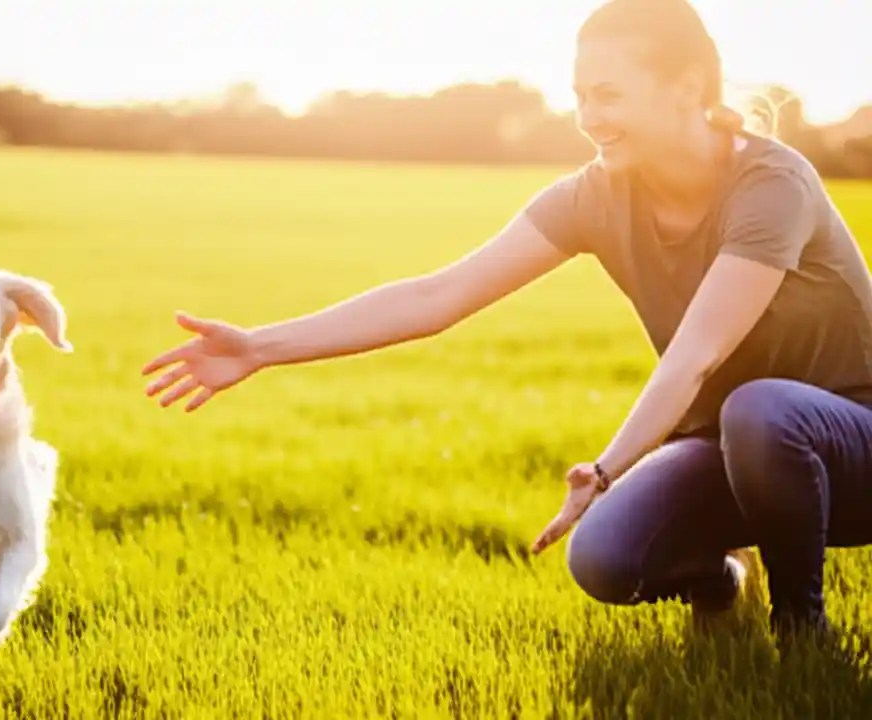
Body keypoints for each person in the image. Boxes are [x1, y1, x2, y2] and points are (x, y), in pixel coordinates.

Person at [140, 0, 872, 644]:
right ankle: (716, 576)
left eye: (610, 94)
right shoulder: (595, 195)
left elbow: (697, 356)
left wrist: (608, 469)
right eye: (580, 96)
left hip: (853, 449)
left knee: (761, 409)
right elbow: (438, 295)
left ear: (686, 87)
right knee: (606, 558)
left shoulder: (771, 183)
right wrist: (262, 348)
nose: (590, 118)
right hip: (731, 447)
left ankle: (801, 628)